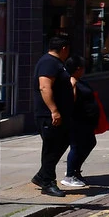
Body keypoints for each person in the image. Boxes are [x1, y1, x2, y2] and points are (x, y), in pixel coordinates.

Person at [31, 35, 74, 197]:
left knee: (61, 143)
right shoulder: (49, 62)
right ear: (64, 48)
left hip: (59, 115)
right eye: (68, 50)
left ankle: (42, 175)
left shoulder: (56, 63)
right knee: (51, 148)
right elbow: (44, 87)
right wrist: (54, 110)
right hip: (48, 115)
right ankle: (47, 182)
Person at [62, 55, 97, 188]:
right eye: (83, 68)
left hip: (85, 121)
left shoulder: (78, 80)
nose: (84, 70)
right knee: (76, 146)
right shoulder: (72, 82)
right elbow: (71, 101)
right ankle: (69, 175)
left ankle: (75, 170)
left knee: (89, 143)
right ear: (77, 69)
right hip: (77, 121)